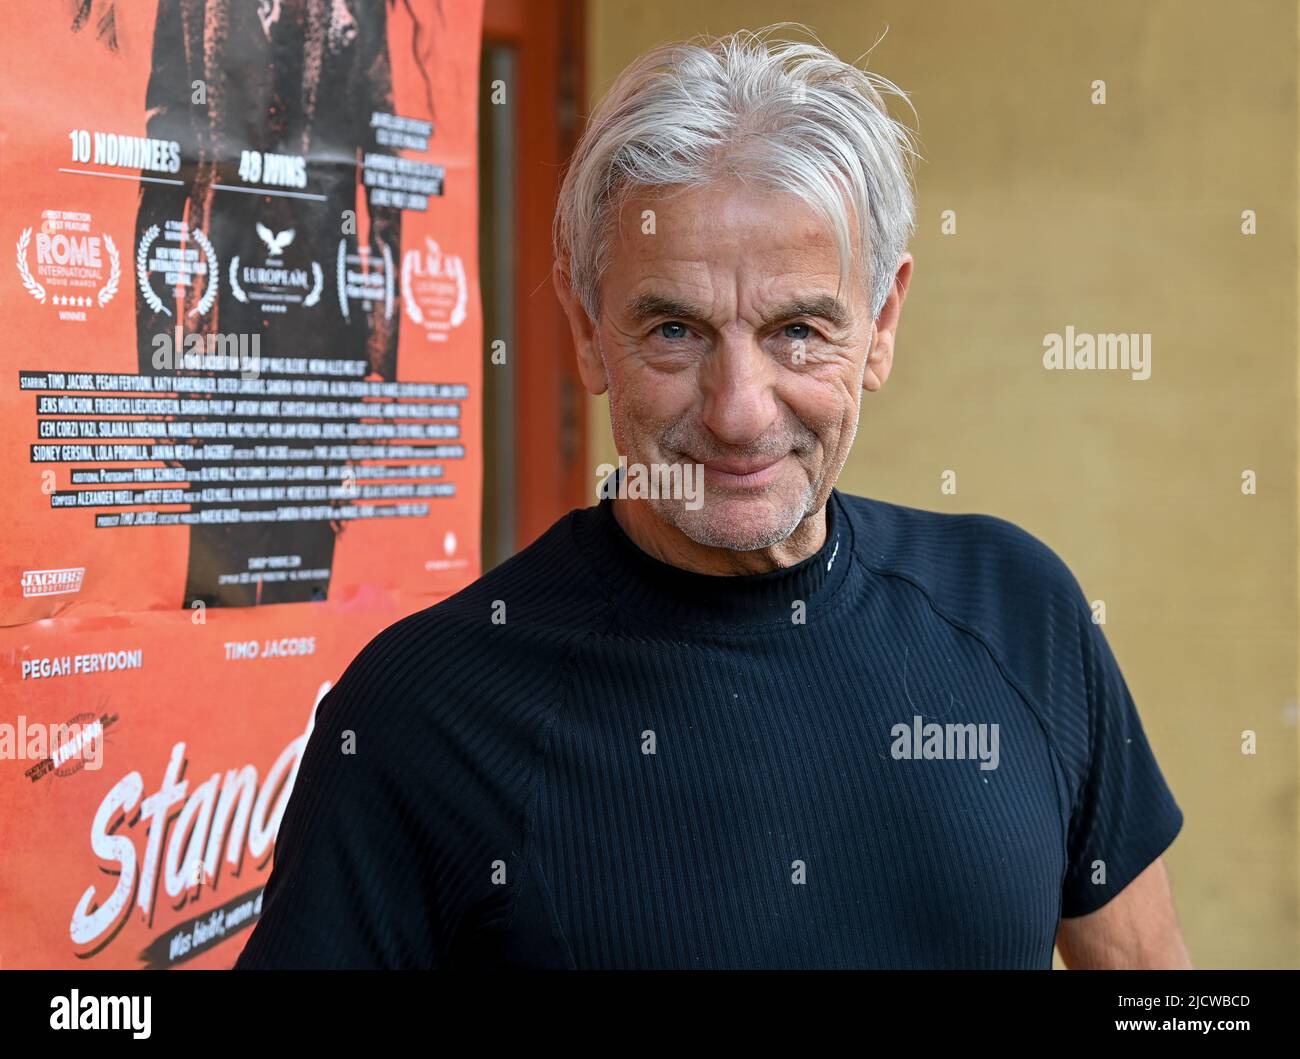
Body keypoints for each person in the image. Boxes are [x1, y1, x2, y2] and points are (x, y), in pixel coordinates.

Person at [235, 27, 1189, 969]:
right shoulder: (423, 712)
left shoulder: (1021, 614)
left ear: (883, 322)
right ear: (585, 326)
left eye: (799, 330)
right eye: (676, 329)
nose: (738, 414)